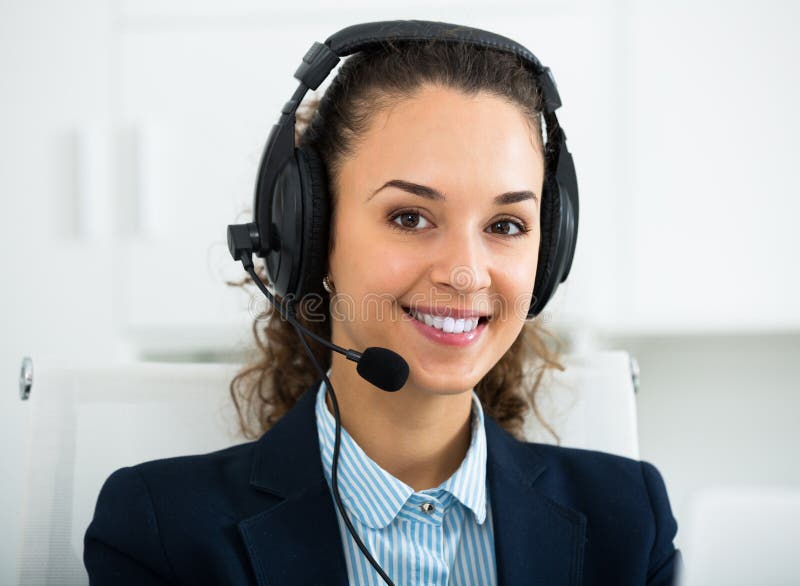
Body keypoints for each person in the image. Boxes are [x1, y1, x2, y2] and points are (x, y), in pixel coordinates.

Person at [84, 21, 682, 585]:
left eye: (505, 225)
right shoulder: (160, 531)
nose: (466, 273)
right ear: (310, 239)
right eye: (410, 216)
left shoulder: (631, 522)